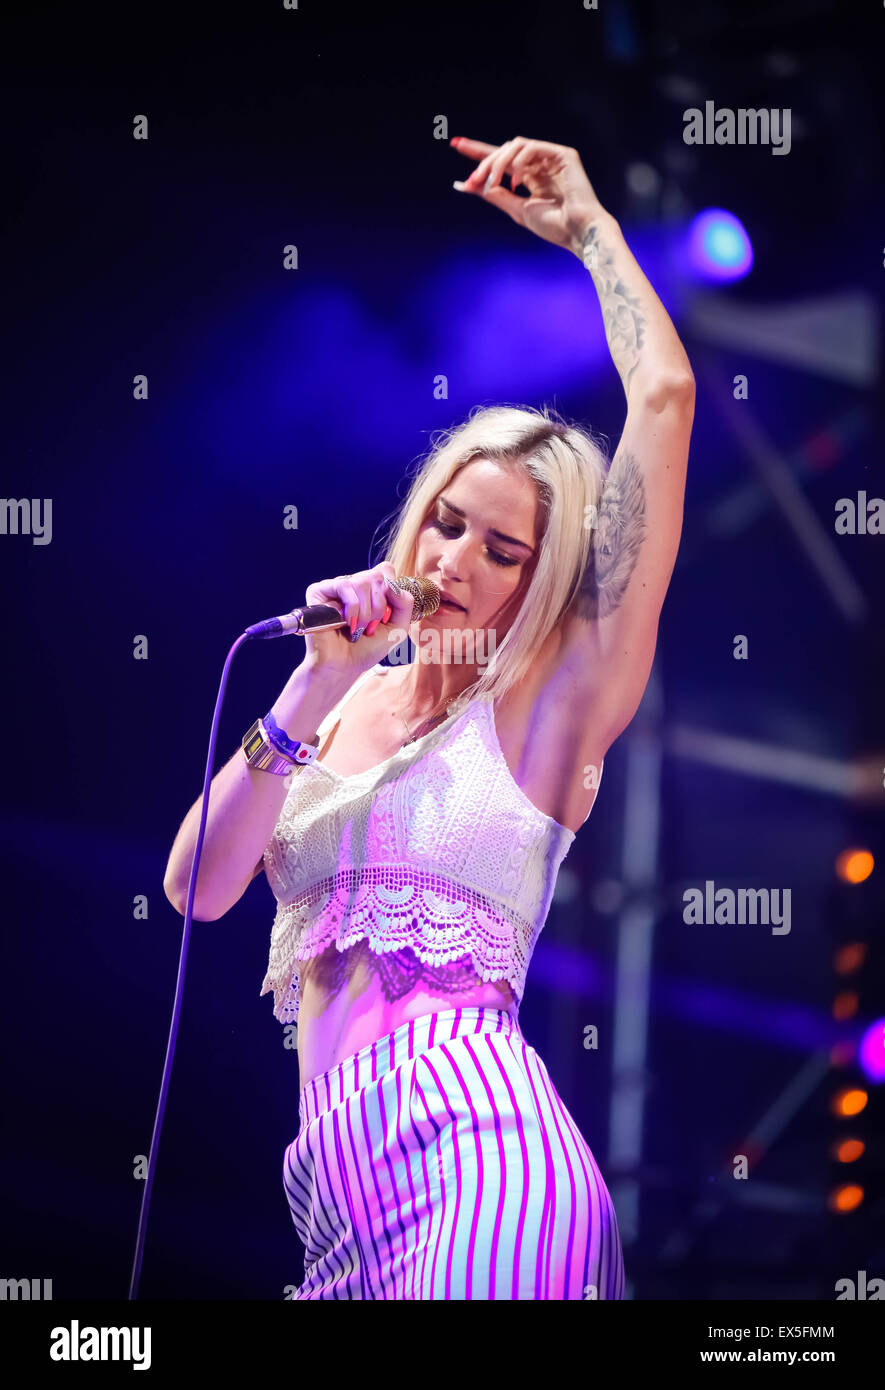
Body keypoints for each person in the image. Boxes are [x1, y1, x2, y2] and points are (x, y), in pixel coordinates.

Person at [164, 135, 695, 1299]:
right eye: (448, 522)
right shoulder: (335, 701)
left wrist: (590, 227)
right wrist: (312, 685)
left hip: (484, 1158)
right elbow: (196, 886)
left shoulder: (551, 711)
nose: (456, 560)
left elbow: (664, 398)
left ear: (542, 584)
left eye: (504, 551)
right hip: (333, 1196)